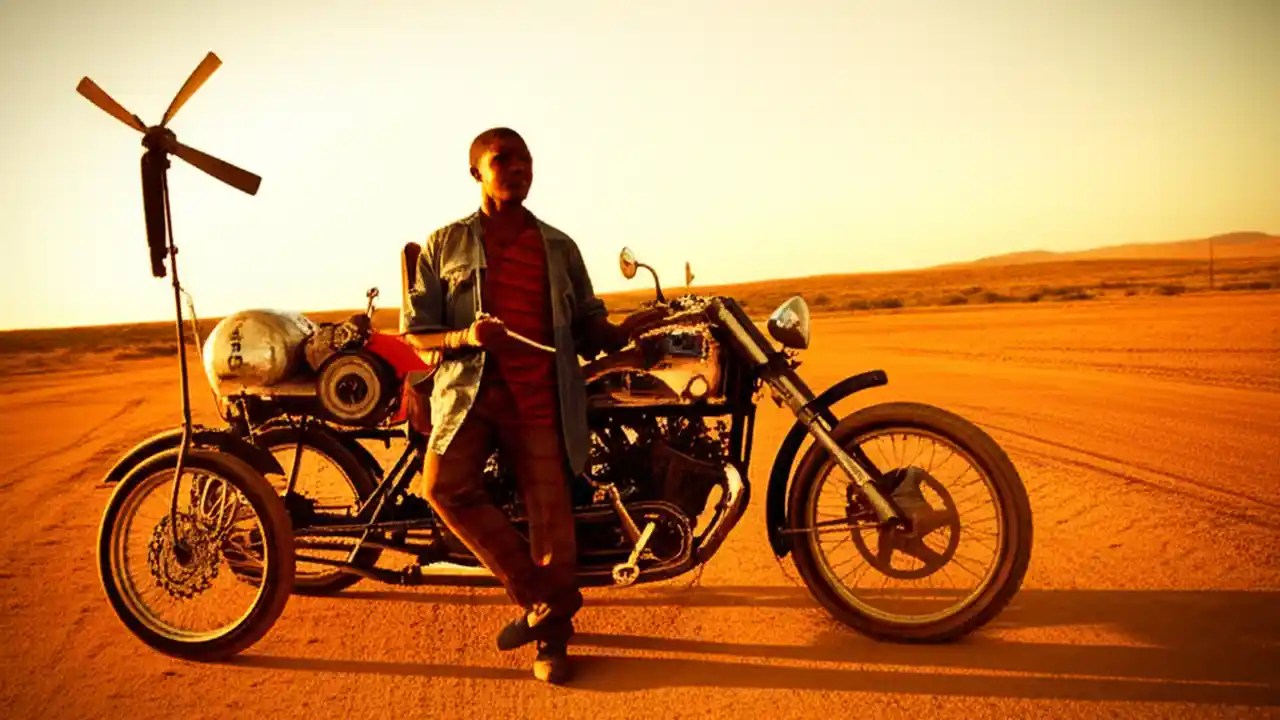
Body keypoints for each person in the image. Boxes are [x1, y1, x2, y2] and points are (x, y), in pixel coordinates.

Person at [398, 127, 661, 684]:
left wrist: (626, 331)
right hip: (469, 397)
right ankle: (541, 597)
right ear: (476, 172)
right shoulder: (444, 244)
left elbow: (589, 327)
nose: (519, 169)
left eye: (526, 160)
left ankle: (551, 641)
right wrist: (466, 337)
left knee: (551, 522)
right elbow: (417, 333)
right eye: (504, 160)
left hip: (542, 396)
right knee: (443, 488)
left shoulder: (559, 246)